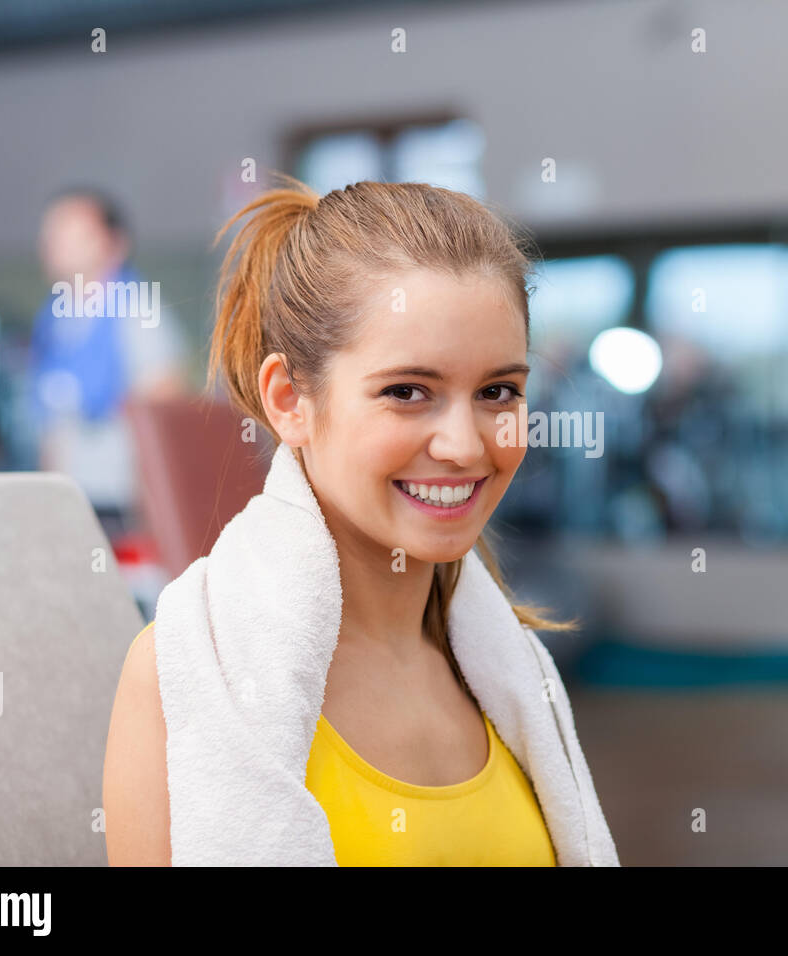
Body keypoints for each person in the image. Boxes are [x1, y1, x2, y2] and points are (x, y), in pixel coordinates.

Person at [102, 176, 619, 866]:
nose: (466, 445)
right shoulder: (182, 674)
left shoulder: (515, 673)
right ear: (290, 400)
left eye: (499, 391)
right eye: (408, 392)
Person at [30, 187, 189, 533]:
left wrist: (152, 511)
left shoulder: (138, 311)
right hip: (71, 495)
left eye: (72, 234)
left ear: (113, 243)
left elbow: (163, 402)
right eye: (51, 234)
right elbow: (51, 418)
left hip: (123, 504)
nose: (55, 245)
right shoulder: (55, 319)